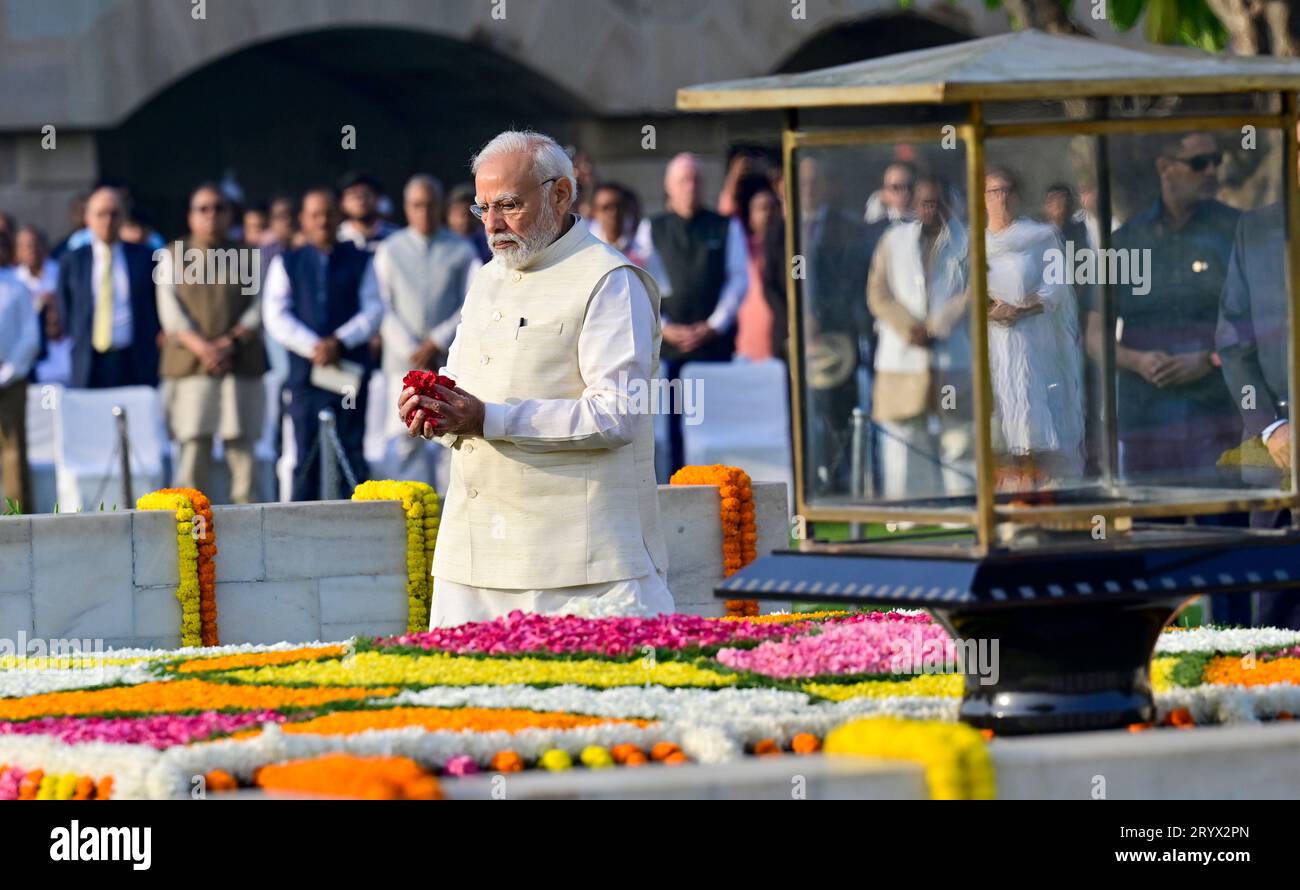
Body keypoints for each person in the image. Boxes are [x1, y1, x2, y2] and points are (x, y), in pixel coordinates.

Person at [397, 129, 672, 626]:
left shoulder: (610, 280)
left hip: (577, 569)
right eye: (483, 209)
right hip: (473, 559)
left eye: (508, 205)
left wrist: (489, 419)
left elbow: (617, 415)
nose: (493, 224)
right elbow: (460, 387)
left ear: (560, 193)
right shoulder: (486, 278)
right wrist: (434, 409)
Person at [1086, 133, 1242, 487]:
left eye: (1216, 161)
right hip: (1147, 427)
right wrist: (1137, 361)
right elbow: (1095, 336)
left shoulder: (1237, 231)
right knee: (1152, 531)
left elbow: (1266, 323)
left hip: (1219, 419)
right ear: (1165, 169)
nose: (1212, 171)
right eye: (1200, 162)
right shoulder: (1124, 242)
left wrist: (1210, 359)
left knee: (1226, 532)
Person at [1216, 179, 1300, 629]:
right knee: (1276, 619)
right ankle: (1279, 703)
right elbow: (1233, 339)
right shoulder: (1256, 228)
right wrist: (1272, 427)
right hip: (1275, 451)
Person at [262, 187, 383, 501]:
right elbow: (275, 316)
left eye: (329, 213)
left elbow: (373, 309)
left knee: (351, 450)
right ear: (303, 220)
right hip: (306, 374)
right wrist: (315, 346)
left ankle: (356, 528)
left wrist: (339, 342)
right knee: (306, 453)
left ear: (338, 216)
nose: (323, 221)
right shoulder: (287, 261)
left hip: (349, 371)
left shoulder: (360, 259)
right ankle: (303, 530)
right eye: (315, 215)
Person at [635, 152, 748, 477]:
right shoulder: (653, 228)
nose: (691, 186)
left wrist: (713, 326)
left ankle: (722, 487)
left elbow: (738, 279)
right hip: (670, 348)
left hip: (714, 346)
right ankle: (678, 484)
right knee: (675, 425)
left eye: (697, 179)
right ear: (669, 187)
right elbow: (644, 283)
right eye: (684, 180)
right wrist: (665, 327)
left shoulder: (725, 226)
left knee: (716, 422)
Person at [157, 184, 266, 504]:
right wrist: (204, 348)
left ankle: (250, 527)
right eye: (203, 209)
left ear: (230, 214)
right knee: (193, 448)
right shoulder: (172, 256)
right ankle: (187, 534)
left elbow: (260, 307)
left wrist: (228, 343)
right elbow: (170, 312)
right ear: (191, 216)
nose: (211, 216)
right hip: (191, 366)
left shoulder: (248, 255)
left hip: (239, 362)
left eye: (219, 208)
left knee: (241, 448)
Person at [868, 176, 973, 500]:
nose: (931, 209)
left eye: (937, 202)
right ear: (914, 204)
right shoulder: (892, 240)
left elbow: (974, 290)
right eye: (925, 202)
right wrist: (908, 328)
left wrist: (938, 325)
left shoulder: (966, 241)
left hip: (952, 353)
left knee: (960, 434)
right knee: (903, 432)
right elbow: (878, 293)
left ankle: (962, 508)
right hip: (903, 354)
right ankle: (908, 511)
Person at [374, 174, 481, 490]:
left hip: (447, 362)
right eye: (417, 206)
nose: (424, 212)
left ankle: (447, 521)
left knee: (448, 439)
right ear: (407, 209)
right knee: (405, 440)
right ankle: (412, 517)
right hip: (402, 364)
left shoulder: (461, 250)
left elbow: (470, 301)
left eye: (431, 205)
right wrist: (411, 348)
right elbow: (382, 305)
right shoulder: (389, 250)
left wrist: (437, 340)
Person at [983, 167, 1085, 489]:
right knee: (999, 430)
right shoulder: (973, 243)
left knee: (1036, 430)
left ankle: (1044, 492)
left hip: (1034, 347)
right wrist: (990, 310)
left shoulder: (1040, 237)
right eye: (993, 192)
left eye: (1006, 190)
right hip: (992, 350)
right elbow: (963, 291)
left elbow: (1057, 287)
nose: (1001, 198)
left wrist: (1025, 307)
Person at [798, 155, 874, 496]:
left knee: (838, 412)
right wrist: (799, 316)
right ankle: (805, 479)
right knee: (800, 412)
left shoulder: (849, 227)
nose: (809, 188)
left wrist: (821, 316)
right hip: (794, 339)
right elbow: (772, 279)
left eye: (815, 181)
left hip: (836, 340)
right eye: (803, 181)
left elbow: (851, 281)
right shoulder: (783, 227)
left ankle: (841, 479)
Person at [57, 186, 161, 389]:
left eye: (114, 214)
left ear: (124, 217)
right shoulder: (73, 261)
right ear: (88, 218)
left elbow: (154, 305)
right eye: (100, 214)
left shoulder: (145, 258)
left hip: (134, 360)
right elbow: (65, 307)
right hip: (89, 361)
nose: (107, 221)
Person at [0, 265, 39, 510]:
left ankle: (17, 523)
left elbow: (30, 336)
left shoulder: (16, 285)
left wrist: (5, 374)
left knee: (12, 452)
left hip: (10, 382)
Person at [12, 225, 70, 386]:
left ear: (45, 246)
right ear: (17, 251)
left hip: (62, 346)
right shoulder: (13, 281)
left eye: (36, 244)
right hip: (30, 352)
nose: (32, 250)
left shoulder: (61, 272)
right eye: (26, 246)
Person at [734, 178, 781, 362]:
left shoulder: (789, 247)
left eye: (772, 207)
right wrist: (733, 183)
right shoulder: (742, 246)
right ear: (750, 216)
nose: (768, 213)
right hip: (747, 350)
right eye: (761, 208)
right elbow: (728, 217)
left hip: (779, 344)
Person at [337, 172, 398, 252]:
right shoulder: (336, 238)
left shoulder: (396, 237)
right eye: (353, 195)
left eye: (366, 194)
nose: (361, 200)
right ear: (342, 203)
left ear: (378, 199)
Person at [589, 182, 646, 266]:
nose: (614, 213)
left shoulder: (644, 251)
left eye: (619, 206)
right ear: (594, 212)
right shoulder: (587, 248)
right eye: (606, 208)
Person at [446, 182, 493, 264]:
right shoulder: (441, 245)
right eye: (459, 214)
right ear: (449, 215)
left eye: (470, 214)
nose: (465, 220)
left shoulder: (490, 243)